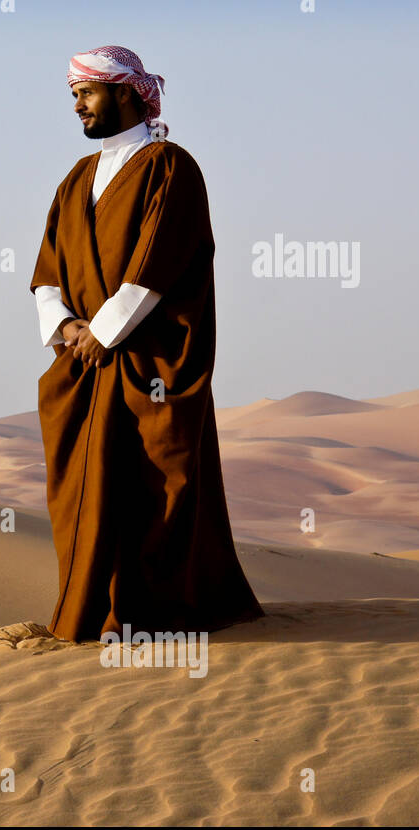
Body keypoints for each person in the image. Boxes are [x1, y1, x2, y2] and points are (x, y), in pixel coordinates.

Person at [28, 45, 264, 642]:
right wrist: (67, 328)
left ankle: (153, 620)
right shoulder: (75, 180)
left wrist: (103, 333)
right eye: (73, 94)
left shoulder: (170, 167)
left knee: (156, 493)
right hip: (86, 365)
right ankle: (87, 612)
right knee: (86, 493)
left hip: (148, 368)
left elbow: (157, 263)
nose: (77, 104)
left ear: (127, 92)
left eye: (87, 92)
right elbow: (48, 268)